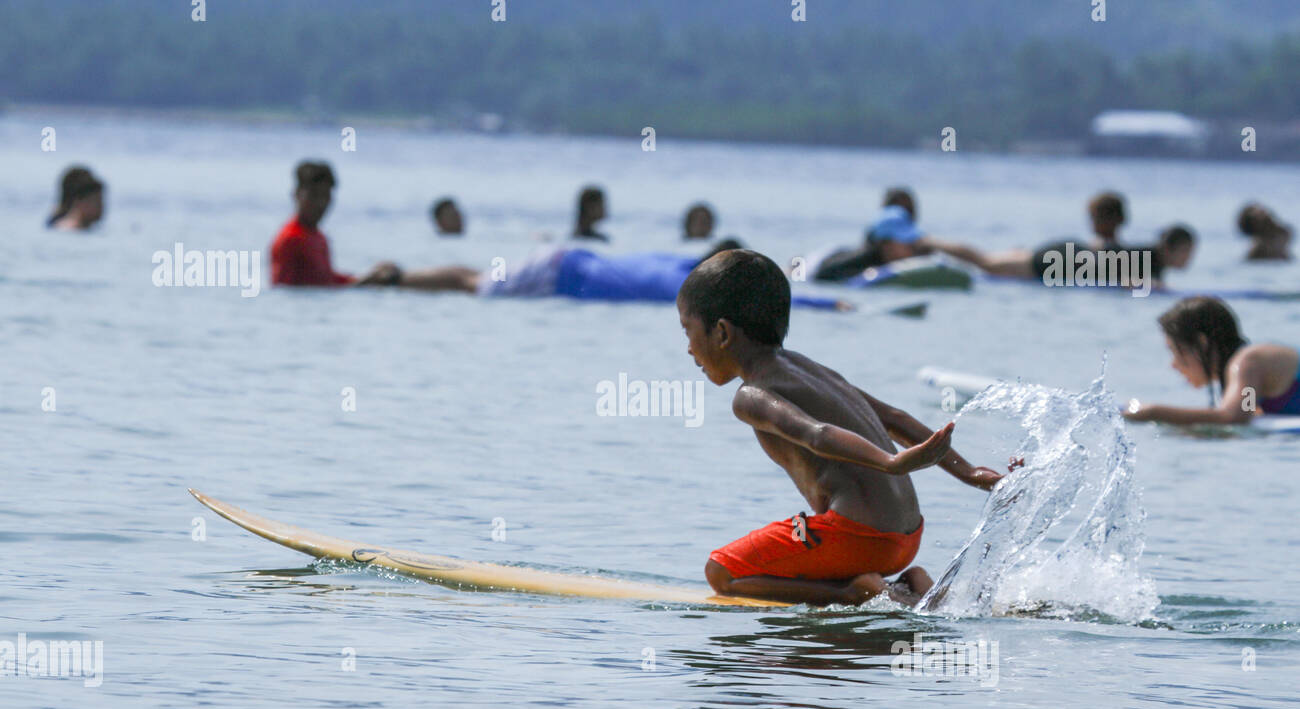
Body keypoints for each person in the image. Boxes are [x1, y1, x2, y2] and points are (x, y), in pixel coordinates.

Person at [676, 249, 1006, 607]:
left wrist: (890, 462)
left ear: (722, 332)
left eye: (688, 330)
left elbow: (816, 435)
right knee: (804, 537)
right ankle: (911, 583)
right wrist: (970, 473)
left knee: (722, 572)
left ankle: (852, 591)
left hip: (857, 538)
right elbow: (894, 417)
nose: (689, 349)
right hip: (907, 537)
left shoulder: (751, 395)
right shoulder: (807, 367)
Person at [395, 239, 849, 310]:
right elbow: (748, 299)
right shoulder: (683, 285)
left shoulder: (681, 265)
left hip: (566, 262)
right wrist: (825, 303)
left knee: (471, 278)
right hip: (559, 273)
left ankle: (400, 277)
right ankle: (396, 279)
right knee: (472, 285)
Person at [1123, 296, 1300, 424]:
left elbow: (1236, 416)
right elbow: (1248, 409)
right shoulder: (1250, 373)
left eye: (1175, 351)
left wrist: (1153, 413)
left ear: (1202, 342)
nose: (1173, 365)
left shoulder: (1248, 363)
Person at [923, 223, 1196, 291]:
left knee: (991, 261)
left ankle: (930, 249)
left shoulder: (1150, 257)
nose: (1190, 260)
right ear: (1175, 248)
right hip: (1063, 261)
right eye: (1188, 253)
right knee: (986, 263)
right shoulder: (1148, 258)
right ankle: (927, 243)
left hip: (1067, 256)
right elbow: (1119, 269)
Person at [270, 161, 398, 287]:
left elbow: (327, 280)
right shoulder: (290, 239)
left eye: (325, 196)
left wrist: (369, 277)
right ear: (297, 194)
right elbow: (284, 291)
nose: (321, 204)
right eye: (314, 196)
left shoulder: (318, 237)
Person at [811, 206, 926, 282]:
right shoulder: (862, 259)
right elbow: (821, 274)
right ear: (887, 245)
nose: (912, 247)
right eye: (906, 242)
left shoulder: (889, 259)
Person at [47, 166, 105, 230]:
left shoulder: (55, 220)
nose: (102, 206)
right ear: (80, 203)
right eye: (97, 201)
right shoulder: (70, 229)